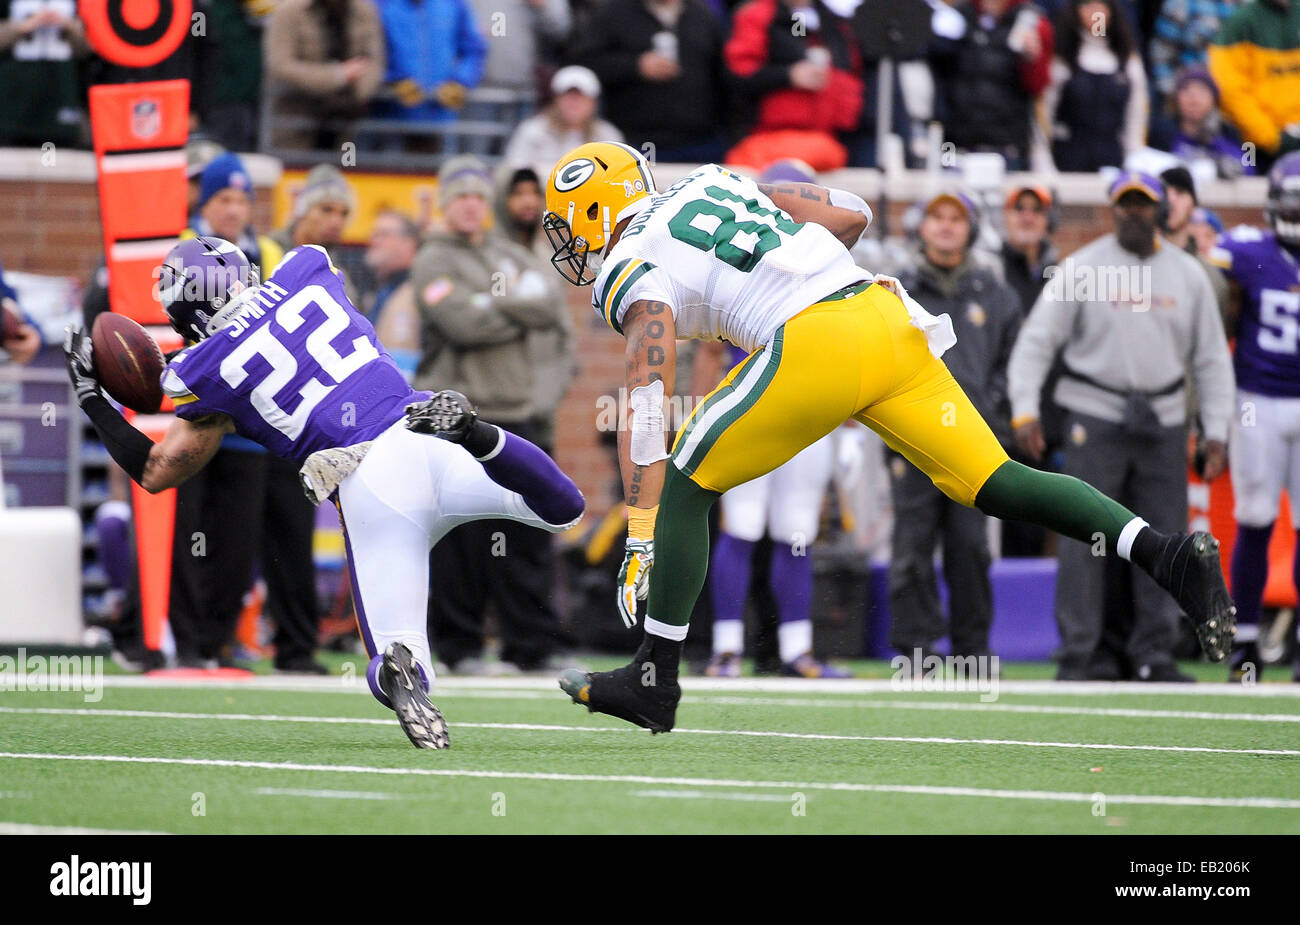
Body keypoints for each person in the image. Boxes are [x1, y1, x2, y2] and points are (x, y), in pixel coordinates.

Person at [542, 142, 1234, 731]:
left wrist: (639, 528)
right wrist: (800, 271)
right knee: (994, 480)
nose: (568, 243)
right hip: (885, 317)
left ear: (594, 209)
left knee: (689, 474)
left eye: (567, 225)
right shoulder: (715, 180)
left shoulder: (627, 259)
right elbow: (850, 211)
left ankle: (655, 676)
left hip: (819, 338)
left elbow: (648, 386)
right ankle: (1170, 556)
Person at [64, 236, 584, 747]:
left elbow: (157, 472)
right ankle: (479, 432)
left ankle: (405, 670)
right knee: (561, 508)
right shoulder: (304, 267)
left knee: (400, 654)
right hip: (426, 432)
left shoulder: (202, 372)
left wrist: (94, 398)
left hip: (373, 482)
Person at [1008, 172, 1236, 681]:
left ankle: (1154, 654)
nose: (1134, 213)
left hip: (1165, 418)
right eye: (1125, 205)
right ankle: (1080, 655)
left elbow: (1211, 361)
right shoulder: (1083, 267)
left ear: (1159, 209)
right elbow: (1036, 342)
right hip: (1095, 412)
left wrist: (1216, 430)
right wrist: (1025, 410)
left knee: (1165, 538)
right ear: (1113, 209)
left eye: (1143, 204)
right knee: (1083, 537)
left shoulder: (1188, 273)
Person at [412, 156, 572, 674]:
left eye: (478, 196)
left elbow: (549, 305)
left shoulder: (508, 251)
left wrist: (488, 305)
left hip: (515, 413)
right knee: (460, 537)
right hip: (456, 417)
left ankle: (531, 645)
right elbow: (460, 323)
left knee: (525, 534)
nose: (470, 205)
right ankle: (459, 647)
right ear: (445, 203)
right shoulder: (433, 258)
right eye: (460, 196)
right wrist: (509, 310)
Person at [888, 192, 1022, 664]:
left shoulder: (997, 295)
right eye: (936, 217)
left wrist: (996, 415)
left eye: (956, 218)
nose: (945, 227)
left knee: (970, 548)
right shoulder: (893, 292)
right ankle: (916, 651)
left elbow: (1014, 364)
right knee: (912, 546)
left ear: (972, 229)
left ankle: (973, 651)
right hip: (910, 436)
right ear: (921, 226)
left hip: (974, 440)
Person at [1207, 151, 1300, 682]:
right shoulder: (1245, 250)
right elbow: (1209, 281)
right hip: (1257, 401)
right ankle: (1244, 645)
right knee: (1257, 518)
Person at [573, 0, 728, 163]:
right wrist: (635, 66)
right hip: (636, 141)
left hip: (700, 142)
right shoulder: (612, 13)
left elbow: (724, 75)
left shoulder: (702, 15)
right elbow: (583, 63)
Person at [721, 0, 864, 171]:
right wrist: (788, 75)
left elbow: (851, 75)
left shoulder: (834, 21)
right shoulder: (759, 15)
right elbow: (738, 73)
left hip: (826, 139)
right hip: (765, 138)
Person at [928, 0, 1054, 171]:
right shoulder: (958, 17)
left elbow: (1038, 86)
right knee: (950, 194)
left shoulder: (1030, 21)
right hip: (954, 142)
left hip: (1007, 146)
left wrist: (1032, 59)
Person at [263, 0, 385, 150]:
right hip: (295, 122)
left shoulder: (365, 10)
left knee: (347, 168)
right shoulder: (288, 11)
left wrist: (356, 95)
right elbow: (280, 65)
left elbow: (375, 62)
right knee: (301, 171)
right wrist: (338, 75)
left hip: (349, 126)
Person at [1042, 0, 1147, 172]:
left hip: (1112, 161)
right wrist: (1044, 164)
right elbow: (1045, 112)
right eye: (1088, 7)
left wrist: (1133, 162)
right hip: (1067, 160)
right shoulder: (1063, 58)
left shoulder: (1127, 60)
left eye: (1101, 7)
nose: (1096, 14)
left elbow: (1136, 117)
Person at [1207, 0, 1300, 168]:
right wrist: (1271, 138)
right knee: (1247, 181)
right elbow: (1230, 90)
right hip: (1255, 144)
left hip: (1294, 137)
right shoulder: (1242, 22)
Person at [372, 0, 486, 125]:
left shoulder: (454, 4)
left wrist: (460, 81)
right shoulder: (380, 5)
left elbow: (473, 50)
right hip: (390, 118)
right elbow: (367, 53)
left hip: (442, 117)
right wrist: (393, 79)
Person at [501, 66, 625, 180]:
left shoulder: (608, 136)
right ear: (556, 99)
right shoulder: (532, 130)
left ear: (593, 102)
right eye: (568, 96)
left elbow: (620, 175)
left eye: (580, 97)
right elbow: (515, 172)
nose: (574, 103)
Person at [1151, 66, 1254, 178]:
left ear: (1214, 99)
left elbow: (1250, 168)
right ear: (1176, 98)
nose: (1194, 99)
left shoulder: (1229, 132)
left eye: (1201, 91)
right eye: (1186, 90)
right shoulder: (1161, 133)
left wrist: (1215, 140)